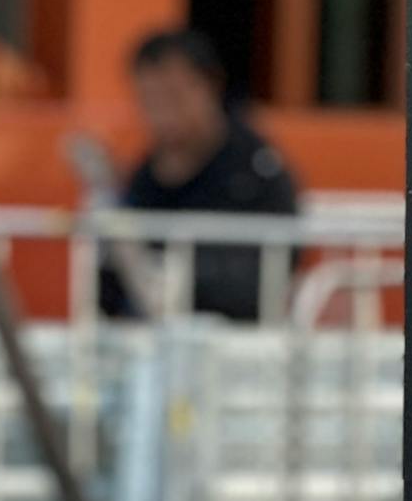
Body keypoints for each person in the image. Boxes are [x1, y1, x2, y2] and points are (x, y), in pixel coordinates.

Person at [100, 25, 302, 322]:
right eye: (149, 100)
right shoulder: (143, 177)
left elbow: (263, 275)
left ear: (209, 86)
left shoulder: (256, 171)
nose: (161, 115)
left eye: (173, 97)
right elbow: (113, 285)